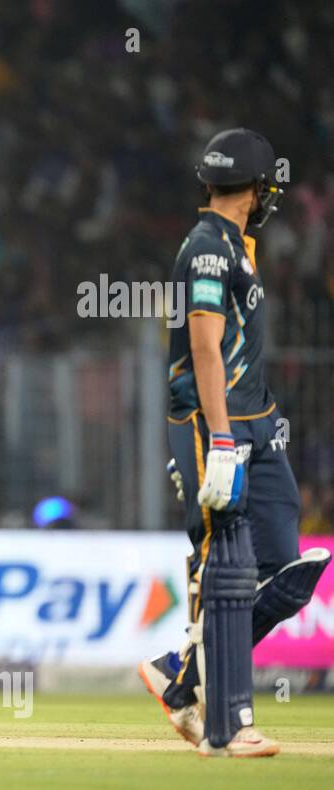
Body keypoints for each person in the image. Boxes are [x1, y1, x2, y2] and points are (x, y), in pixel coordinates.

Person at [138, 130, 329, 757]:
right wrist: (220, 436)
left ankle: (180, 671)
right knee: (224, 563)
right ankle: (229, 719)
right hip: (211, 422)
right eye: (267, 185)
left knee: (288, 565)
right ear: (253, 188)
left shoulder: (235, 245)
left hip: (259, 420)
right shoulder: (207, 250)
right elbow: (204, 346)